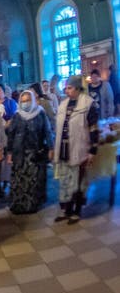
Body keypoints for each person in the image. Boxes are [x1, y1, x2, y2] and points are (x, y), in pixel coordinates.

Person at [53, 75, 99, 224]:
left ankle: (76, 211)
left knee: (78, 181)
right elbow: (59, 128)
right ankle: (66, 210)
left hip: (79, 148)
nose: (66, 91)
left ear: (78, 88)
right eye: (65, 88)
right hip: (64, 149)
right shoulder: (63, 104)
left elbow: (93, 128)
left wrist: (93, 150)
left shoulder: (88, 104)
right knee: (65, 181)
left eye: (70, 88)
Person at [6, 89, 53, 215]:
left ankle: (31, 205)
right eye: (23, 101)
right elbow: (11, 134)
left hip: (35, 152)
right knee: (19, 179)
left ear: (32, 100)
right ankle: (19, 205)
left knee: (33, 180)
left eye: (27, 101)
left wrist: (51, 148)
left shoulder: (40, 113)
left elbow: (47, 131)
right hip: (19, 153)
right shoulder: (17, 115)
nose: (25, 103)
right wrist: (9, 152)